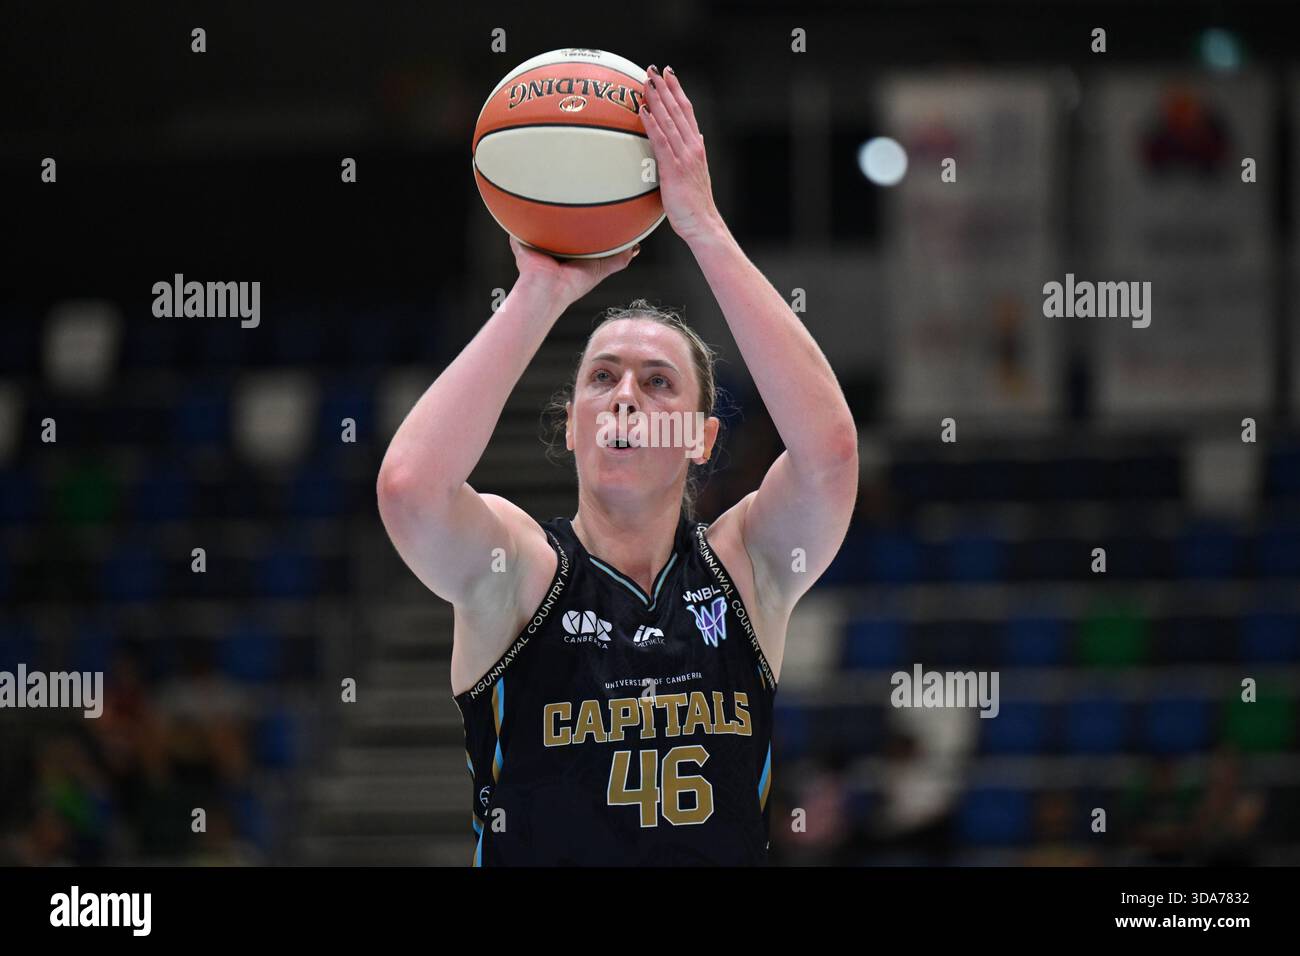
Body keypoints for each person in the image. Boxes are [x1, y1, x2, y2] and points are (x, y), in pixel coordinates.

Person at [378, 64, 857, 864]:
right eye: (601, 378)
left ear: (702, 440)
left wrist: (702, 225)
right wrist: (538, 293)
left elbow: (830, 454)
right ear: (571, 427)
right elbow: (409, 490)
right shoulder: (520, 570)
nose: (625, 396)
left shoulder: (748, 569)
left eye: (657, 381)